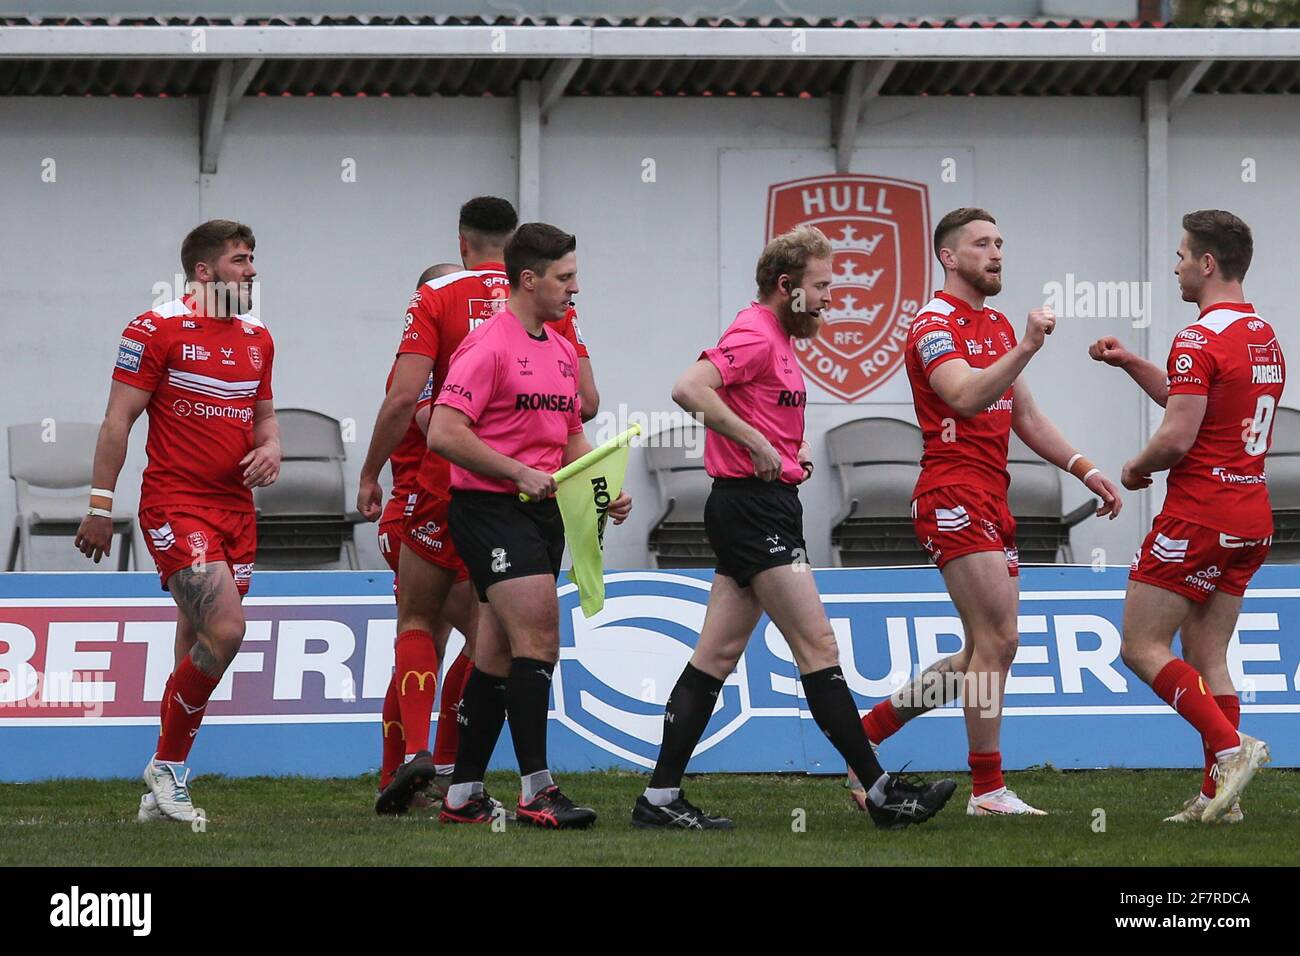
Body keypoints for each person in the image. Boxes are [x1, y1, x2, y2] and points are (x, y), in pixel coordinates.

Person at [632, 226, 957, 831]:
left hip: (764, 507)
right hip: (751, 512)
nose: (833, 297)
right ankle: (881, 792)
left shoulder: (778, 337)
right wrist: (754, 442)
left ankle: (658, 800)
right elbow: (688, 388)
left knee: (717, 655)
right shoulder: (755, 332)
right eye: (822, 285)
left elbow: (757, 416)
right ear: (787, 288)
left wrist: (787, 450)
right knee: (819, 647)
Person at [851, 208, 1122, 817]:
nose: (996, 252)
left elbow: (1023, 417)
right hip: (951, 492)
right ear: (949, 257)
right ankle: (989, 790)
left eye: (1000, 242)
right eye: (981, 243)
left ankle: (864, 735)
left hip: (990, 495)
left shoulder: (995, 323)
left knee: (981, 650)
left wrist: (1084, 467)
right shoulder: (932, 322)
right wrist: (1027, 345)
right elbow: (964, 394)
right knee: (1000, 639)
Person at [75, 220, 279, 822]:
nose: (252, 271)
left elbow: (265, 418)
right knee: (229, 630)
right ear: (204, 271)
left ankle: (162, 786)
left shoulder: (258, 336)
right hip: (176, 504)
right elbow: (118, 421)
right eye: (241, 261)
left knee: (198, 639)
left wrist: (272, 449)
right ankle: (166, 768)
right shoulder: (154, 328)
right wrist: (99, 505)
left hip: (236, 511)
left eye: (252, 260)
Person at [429, 222, 631, 829]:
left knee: (493, 657)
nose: (575, 288)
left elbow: (569, 436)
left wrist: (602, 491)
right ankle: (537, 790)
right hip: (490, 512)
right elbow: (443, 432)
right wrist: (517, 472)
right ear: (528, 279)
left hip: (543, 512)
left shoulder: (562, 348)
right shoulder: (487, 346)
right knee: (540, 643)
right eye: (565, 278)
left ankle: (463, 794)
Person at [1090, 210, 1278, 824]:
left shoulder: (1199, 337)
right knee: (1207, 652)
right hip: (1250, 517)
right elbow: (1192, 396)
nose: (1174, 265)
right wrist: (1131, 364)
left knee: (1140, 646)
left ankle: (1229, 750)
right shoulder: (1263, 336)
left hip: (1198, 516)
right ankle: (1220, 801)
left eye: (1180, 256)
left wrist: (1135, 467)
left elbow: (1176, 435)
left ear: (1207, 264)